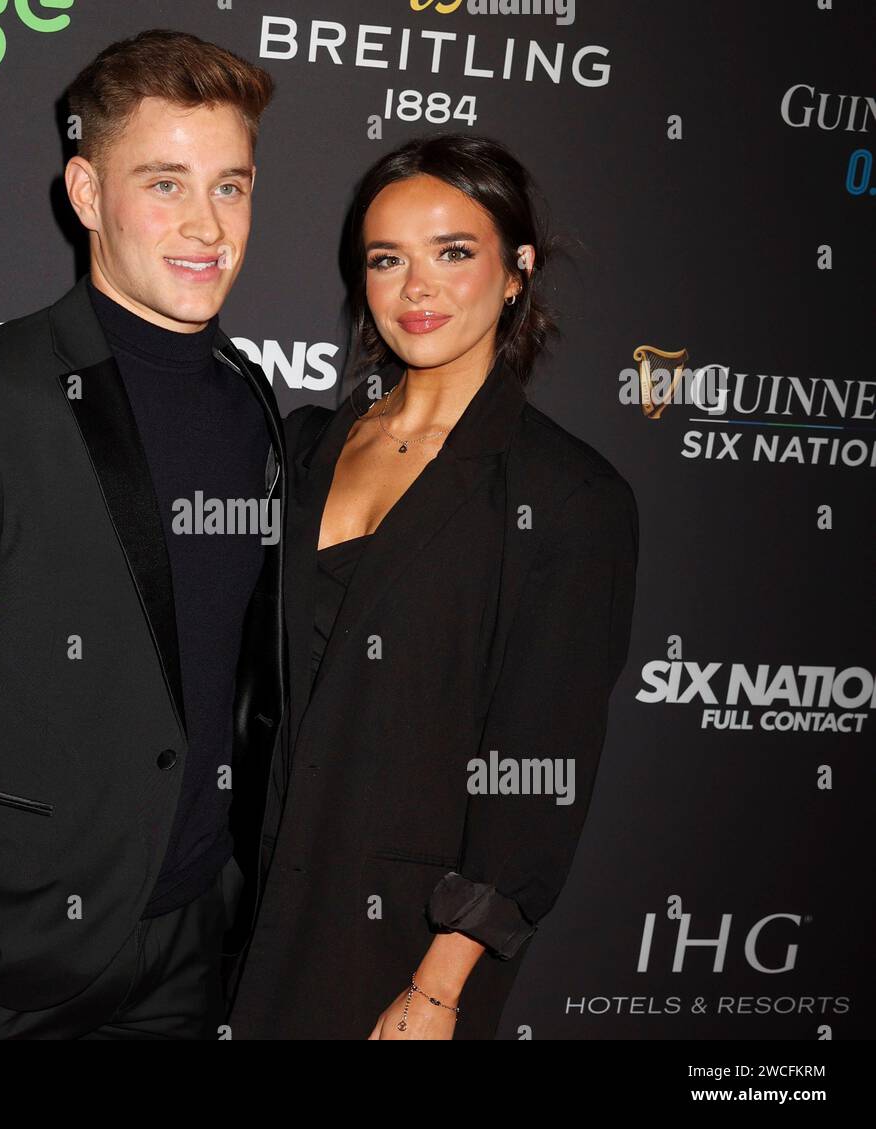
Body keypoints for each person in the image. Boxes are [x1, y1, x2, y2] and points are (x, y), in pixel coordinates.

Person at [0, 29, 284, 1039]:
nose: (206, 224)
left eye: (231, 185)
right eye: (164, 183)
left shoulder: (255, 405)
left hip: (187, 942)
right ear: (85, 192)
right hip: (1, 956)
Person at [227, 134, 639, 1040]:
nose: (417, 288)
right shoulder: (300, 449)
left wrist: (440, 986)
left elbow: (539, 768)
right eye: (388, 260)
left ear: (517, 270)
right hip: (234, 919)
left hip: (396, 949)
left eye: (453, 252)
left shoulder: (566, 496)